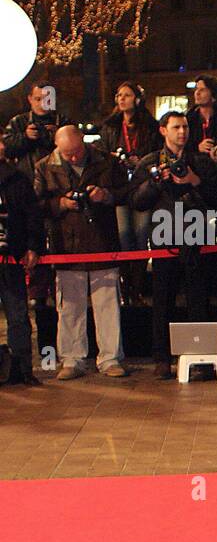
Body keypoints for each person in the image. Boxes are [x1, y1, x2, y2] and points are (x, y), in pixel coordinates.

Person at [129, 111, 217, 379]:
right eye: (176, 127)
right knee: (162, 302)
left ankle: (201, 359)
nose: (182, 132)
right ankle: (161, 359)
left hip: (197, 238)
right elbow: (136, 201)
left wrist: (195, 181)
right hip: (165, 239)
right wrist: (156, 182)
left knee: (198, 302)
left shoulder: (201, 162)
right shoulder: (150, 163)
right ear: (163, 130)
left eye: (184, 127)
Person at [33, 126, 131, 380]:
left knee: (108, 305)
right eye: (67, 154)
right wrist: (60, 204)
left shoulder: (106, 161)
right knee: (69, 306)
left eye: (77, 152)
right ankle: (72, 358)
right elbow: (35, 203)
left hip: (102, 241)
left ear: (83, 144)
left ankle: (110, 357)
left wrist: (105, 195)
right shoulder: (44, 166)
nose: (73, 158)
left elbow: (126, 192)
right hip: (66, 245)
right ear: (57, 148)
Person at [97, 82, 161, 306]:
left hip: (142, 186)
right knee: (124, 236)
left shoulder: (150, 126)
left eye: (127, 95)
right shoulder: (111, 126)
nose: (122, 99)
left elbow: (156, 153)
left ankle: (140, 285)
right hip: (120, 185)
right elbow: (102, 155)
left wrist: (141, 161)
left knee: (142, 235)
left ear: (137, 99)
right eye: (119, 95)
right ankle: (127, 287)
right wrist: (114, 157)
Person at [0, 132, 43, 385]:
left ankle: (23, 369)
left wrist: (33, 246)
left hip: (11, 258)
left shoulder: (17, 179)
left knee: (17, 315)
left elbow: (32, 215)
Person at [4, 81, 70, 180]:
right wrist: (25, 137)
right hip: (27, 178)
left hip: (58, 180)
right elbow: (7, 149)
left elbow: (75, 150)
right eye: (38, 99)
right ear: (30, 99)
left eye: (47, 100)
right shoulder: (18, 122)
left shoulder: (64, 122)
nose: (42, 104)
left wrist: (60, 137)